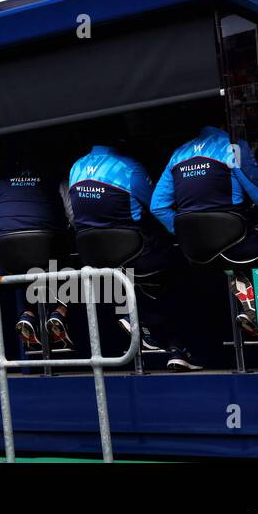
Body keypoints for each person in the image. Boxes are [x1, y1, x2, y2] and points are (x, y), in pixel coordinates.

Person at [150, 125, 258, 334]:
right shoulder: (233, 146)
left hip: (196, 251)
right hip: (236, 242)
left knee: (225, 266)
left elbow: (158, 206)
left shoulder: (178, 153)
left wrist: (190, 233)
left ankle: (250, 304)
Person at [67, 144, 199, 371]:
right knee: (180, 269)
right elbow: (154, 206)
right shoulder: (129, 167)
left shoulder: (75, 167)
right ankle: (176, 346)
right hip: (136, 254)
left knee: (138, 282)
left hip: (95, 257)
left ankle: (138, 318)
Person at [0, 160, 74, 353]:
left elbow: (4, 215)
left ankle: (27, 314)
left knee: (25, 269)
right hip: (47, 250)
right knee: (68, 265)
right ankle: (59, 312)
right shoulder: (56, 178)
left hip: (7, 254)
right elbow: (72, 215)